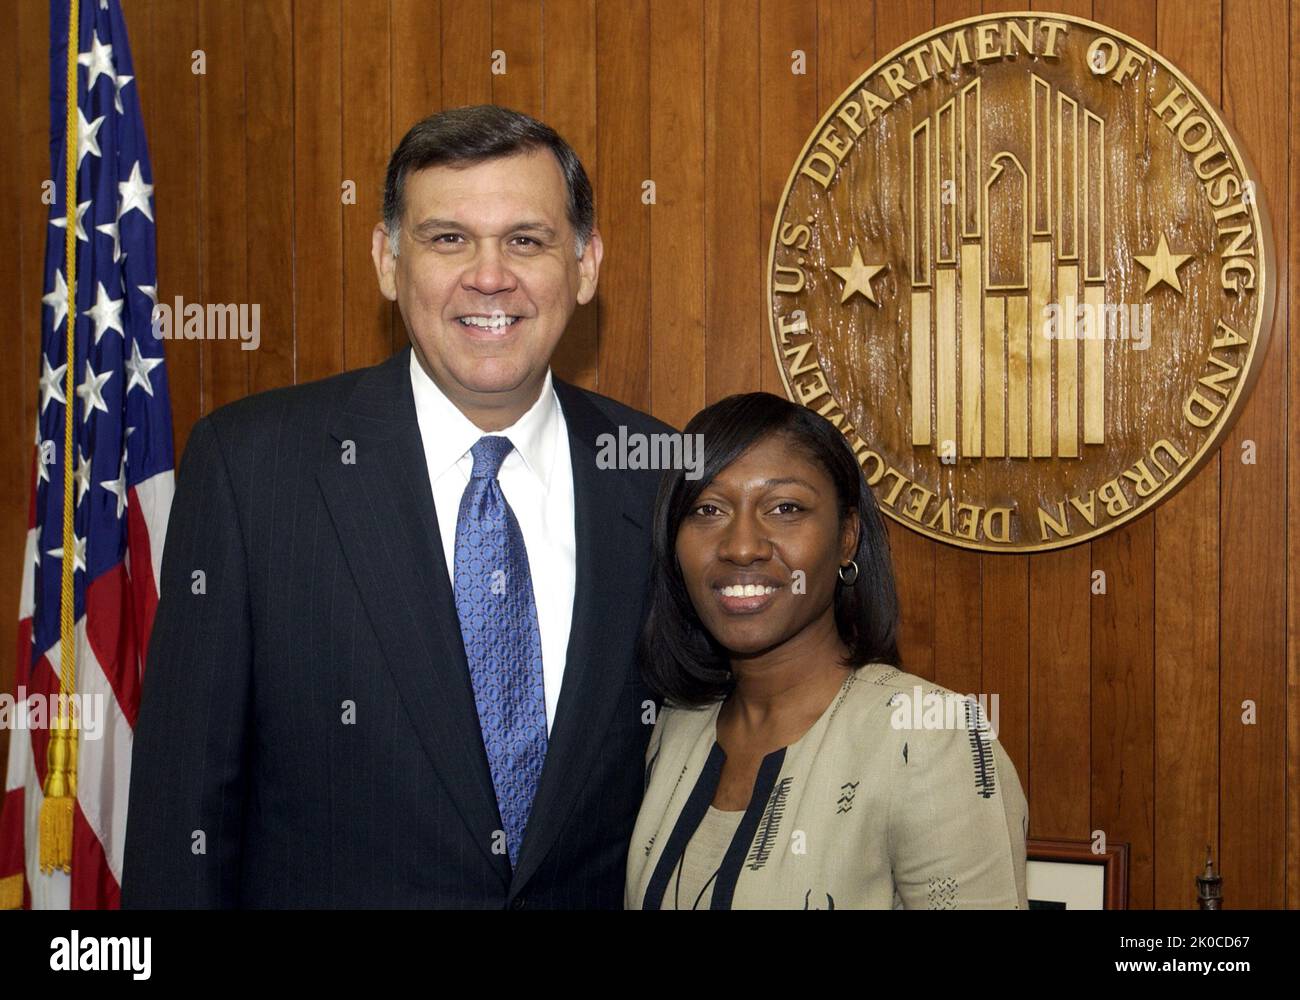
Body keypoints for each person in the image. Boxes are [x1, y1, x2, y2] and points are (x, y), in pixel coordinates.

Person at [122, 105, 670, 908]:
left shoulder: (664, 478)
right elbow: (183, 818)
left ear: (585, 265)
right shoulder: (252, 470)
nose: (490, 275)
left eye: (527, 239)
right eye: (448, 238)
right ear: (387, 260)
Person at [625, 392, 1029, 909]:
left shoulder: (931, 737)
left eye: (785, 508)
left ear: (847, 537)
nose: (741, 545)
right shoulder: (678, 727)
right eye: (708, 509)